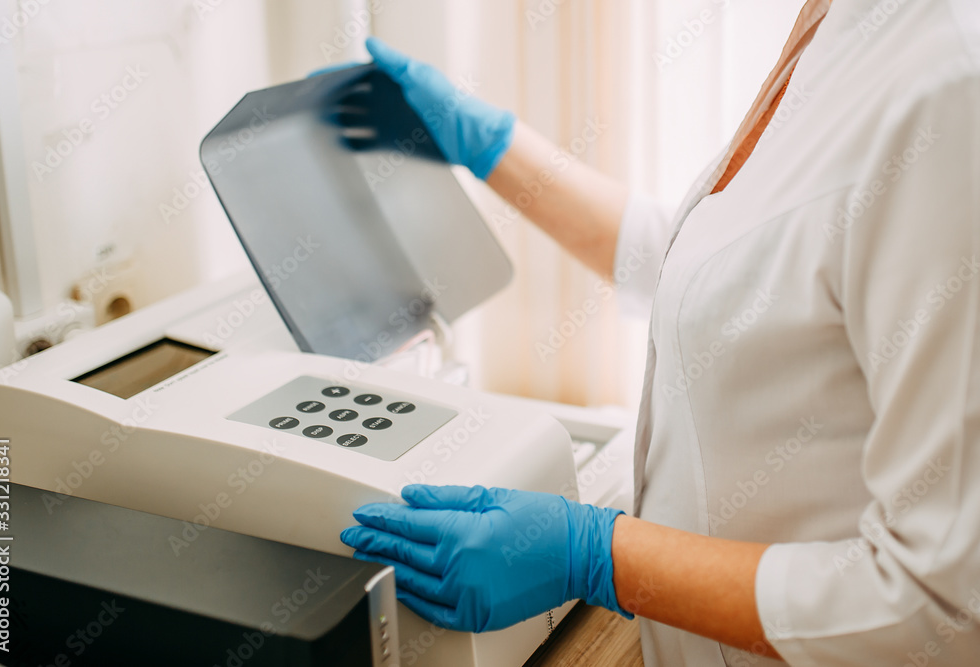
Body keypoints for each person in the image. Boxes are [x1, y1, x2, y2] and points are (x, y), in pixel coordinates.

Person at [339, 0, 980, 664]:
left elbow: (940, 610)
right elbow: (731, 275)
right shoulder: (836, 20)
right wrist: (490, 145)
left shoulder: (951, 84)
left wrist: (600, 557)